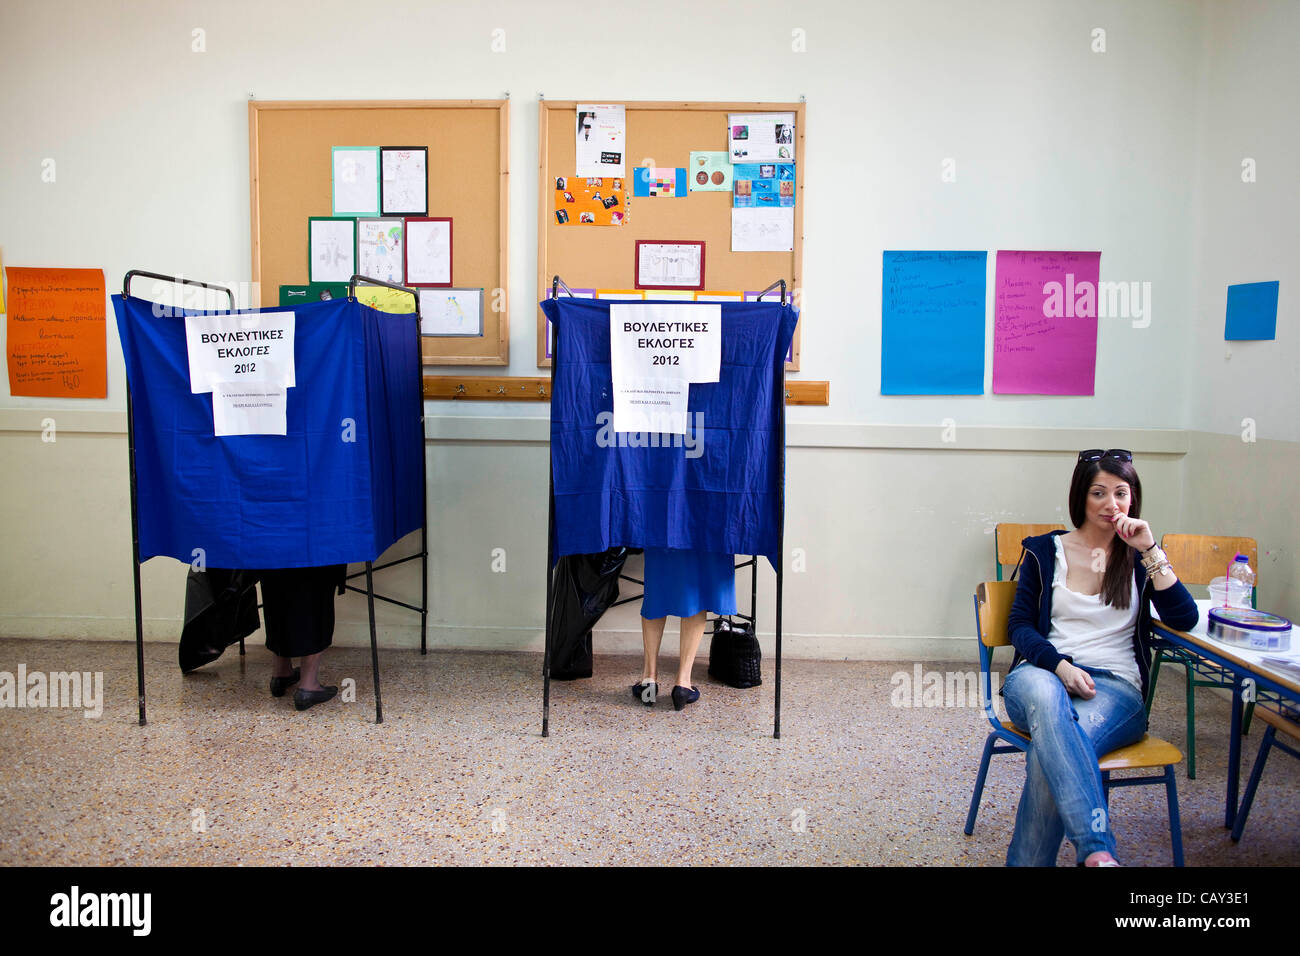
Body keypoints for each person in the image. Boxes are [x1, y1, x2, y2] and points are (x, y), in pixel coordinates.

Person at [1004, 449, 1198, 866]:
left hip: (1114, 688)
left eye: (1121, 493)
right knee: (1046, 698)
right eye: (1099, 493)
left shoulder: (1139, 558)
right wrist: (1059, 665)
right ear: (1080, 498)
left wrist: (1149, 548)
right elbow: (1018, 626)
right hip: (1042, 673)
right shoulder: (1045, 550)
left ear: (1133, 500)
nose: (1112, 504)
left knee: (1047, 753)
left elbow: (1184, 618)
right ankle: (1097, 852)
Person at [632, 548, 736, 711]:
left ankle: (649, 680)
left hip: (662, 525)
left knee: (656, 585)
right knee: (697, 590)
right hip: (704, 526)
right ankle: (683, 684)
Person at [260, 564, 345, 711]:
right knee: (315, 584)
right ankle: (308, 686)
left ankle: (281, 674)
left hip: (270, 545)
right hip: (314, 545)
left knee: (275, 579)